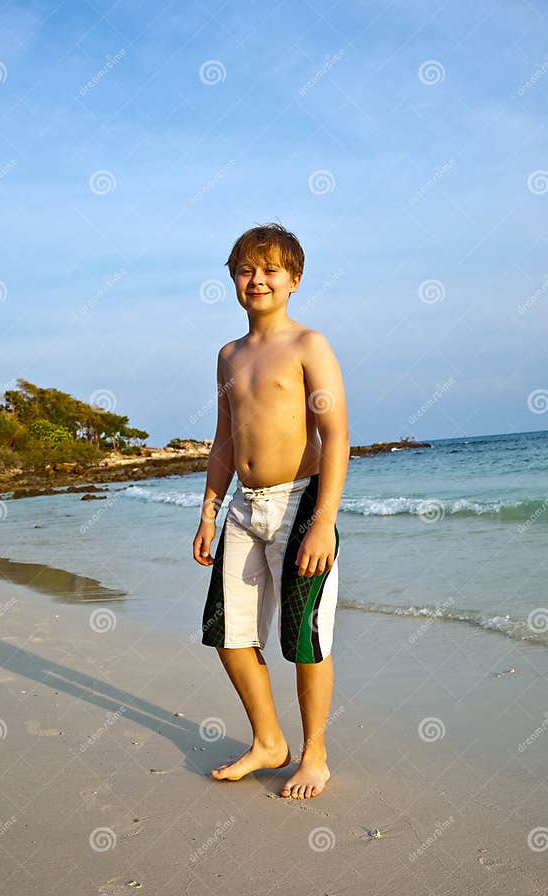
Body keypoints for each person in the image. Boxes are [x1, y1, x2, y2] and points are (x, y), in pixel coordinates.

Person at [193, 222, 350, 800]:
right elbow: (224, 442)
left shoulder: (309, 345)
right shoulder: (228, 356)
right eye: (244, 269)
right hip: (241, 508)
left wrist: (324, 521)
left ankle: (315, 755)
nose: (256, 279)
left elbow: (335, 435)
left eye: (269, 270)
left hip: (300, 502)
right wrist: (209, 512)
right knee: (226, 632)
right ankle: (267, 742)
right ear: (233, 279)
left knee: (304, 636)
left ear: (294, 280)